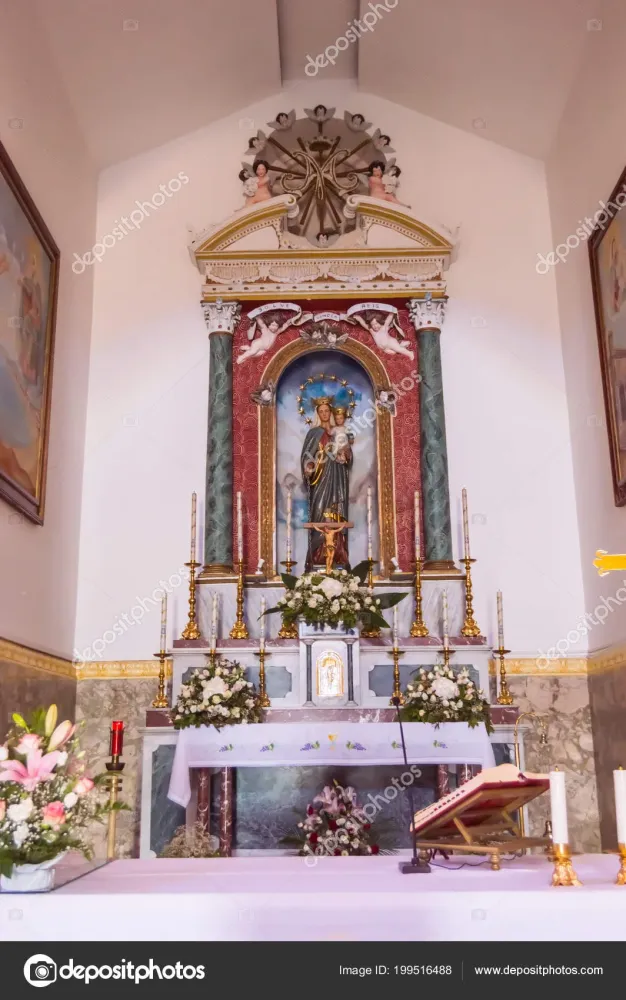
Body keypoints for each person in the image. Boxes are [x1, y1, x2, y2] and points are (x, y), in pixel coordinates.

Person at [301, 399, 351, 569]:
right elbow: (307, 456)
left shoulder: (337, 432)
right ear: (317, 414)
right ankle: (317, 557)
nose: (324, 414)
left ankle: (338, 556)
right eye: (321, 411)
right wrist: (308, 466)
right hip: (320, 479)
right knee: (320, 513)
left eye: (327, 411)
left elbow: (347, 453)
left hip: (337, 477)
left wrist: (345, 453)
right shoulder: (313, 433)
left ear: (330, 413)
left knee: (335, 512)